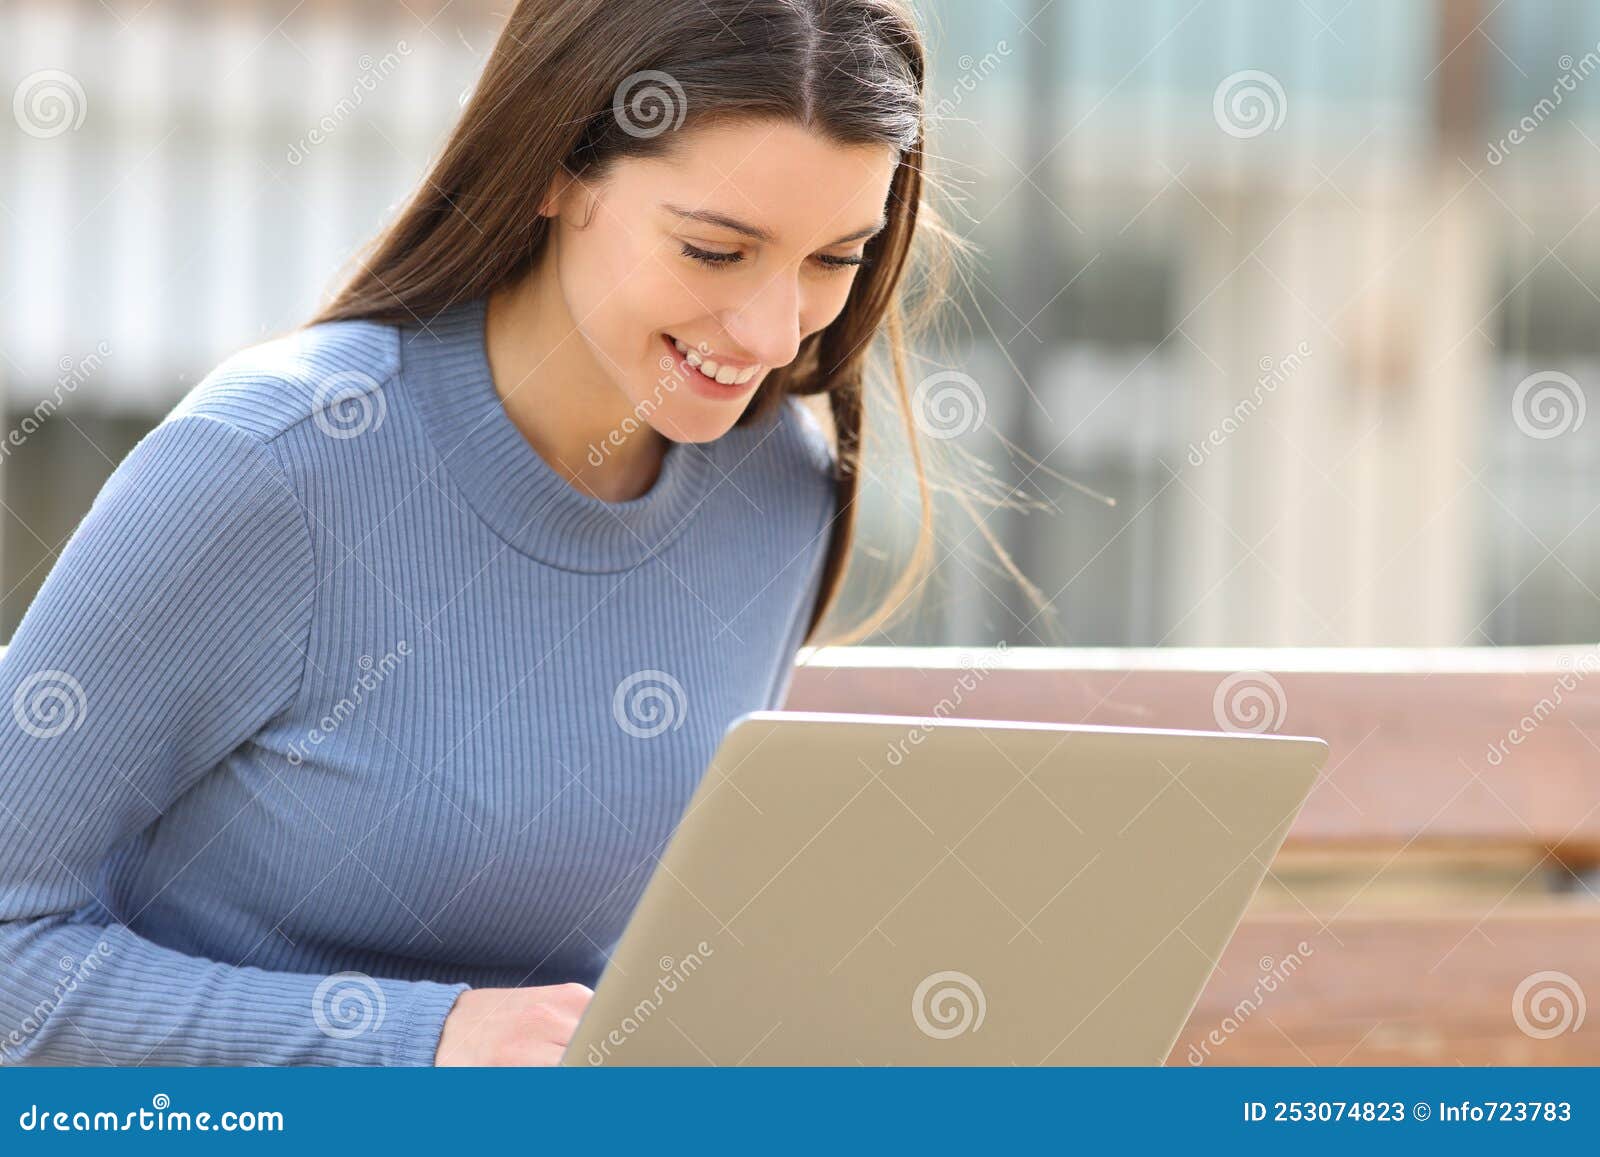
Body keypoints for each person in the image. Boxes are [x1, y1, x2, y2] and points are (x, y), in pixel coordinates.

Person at [0, 0, 952, 1066]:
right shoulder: (272, 465)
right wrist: (419, 1041)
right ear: (556, 170)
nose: (775, 331)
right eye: (715, 249)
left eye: (835, 259)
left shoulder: (776, 489)